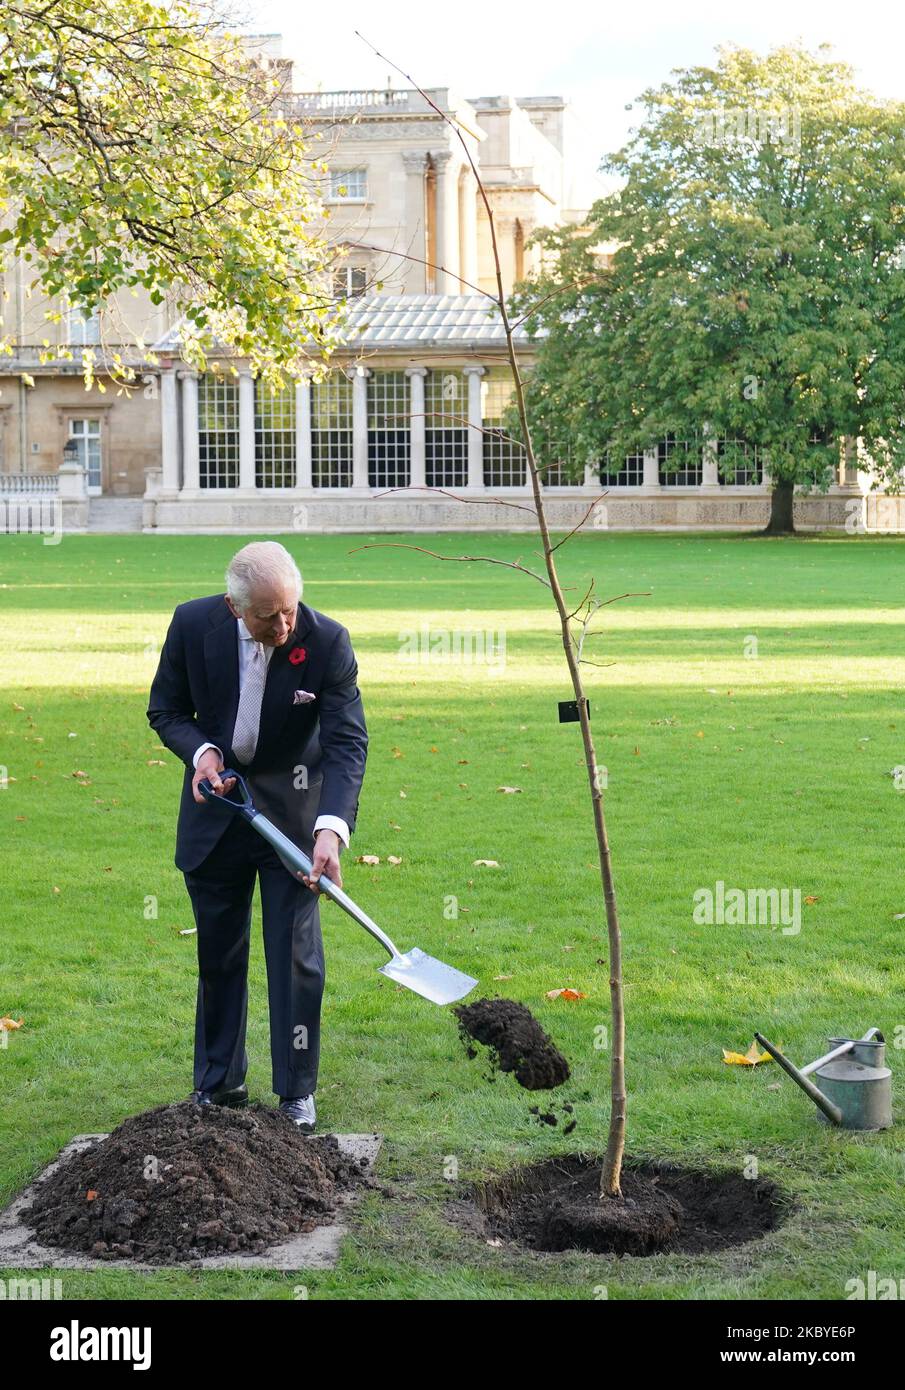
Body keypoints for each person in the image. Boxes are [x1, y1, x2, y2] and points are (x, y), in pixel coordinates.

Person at [147, 541, 368, 1131]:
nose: (285, 624)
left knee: (295, 956)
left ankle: (296, 1092)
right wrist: (203, 752)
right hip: (215, 812)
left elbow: (347, 742)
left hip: (293, 825)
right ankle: (219, 1084)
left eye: (290, 609)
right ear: (233, 607)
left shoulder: (326, 641)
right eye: (269, 615)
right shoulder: (193, 624)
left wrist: (331, 829)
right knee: (218, 954)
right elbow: (165, 710)